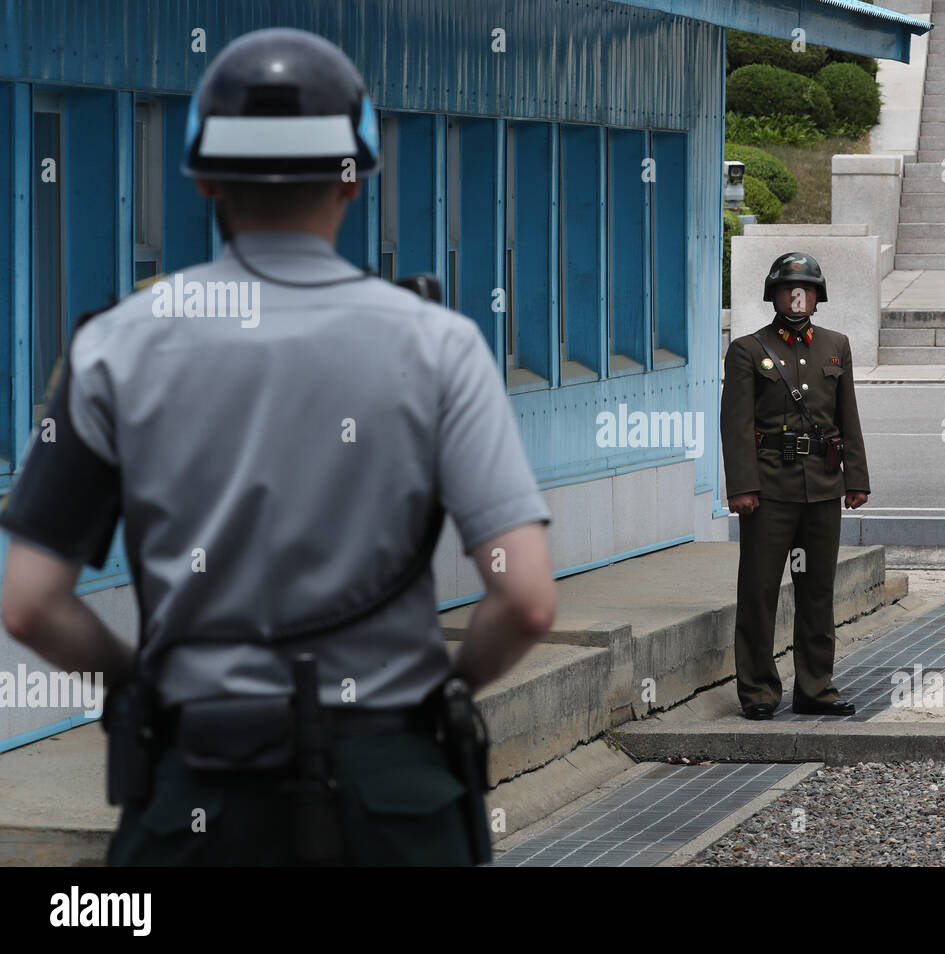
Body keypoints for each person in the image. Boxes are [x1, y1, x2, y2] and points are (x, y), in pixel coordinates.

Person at [0, 27, 556, 865]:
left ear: (201, 174)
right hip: (393, 800)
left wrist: (139, 686)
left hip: (199, 790)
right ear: (357, 178)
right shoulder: (439, 346)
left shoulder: (115, 347)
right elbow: (527, 600)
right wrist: (439, 694)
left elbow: (30, 603)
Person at [720, 251, 870, 720]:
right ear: (774, 295)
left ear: (818, 297)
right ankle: (760, 692)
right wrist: (742, 486)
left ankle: (815, 688)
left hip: (823, 487)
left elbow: (849, 417)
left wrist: (856, 478)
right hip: (769, 490)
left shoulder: (836, 345)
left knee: (818, 591)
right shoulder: (748, 349)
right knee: (760, 593)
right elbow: (736, 424)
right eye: (789, 288)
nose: (797, 295)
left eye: (805, 288)